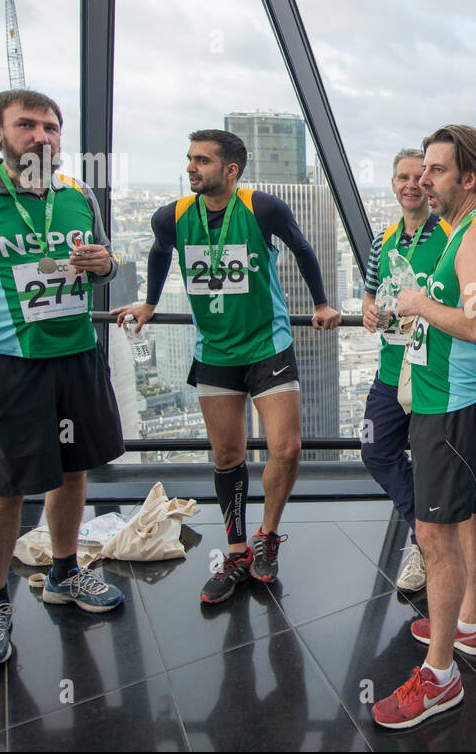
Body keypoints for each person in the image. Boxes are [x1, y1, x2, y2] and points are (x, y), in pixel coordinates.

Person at [0, 89, 127, 669]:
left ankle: (64, 570)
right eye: (27, 125)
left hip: (76, 354)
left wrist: (103, 265)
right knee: (3, 486)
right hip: (6, 363)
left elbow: (107, 265)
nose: (41, 137)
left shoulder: (77, 194)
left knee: (72, 469)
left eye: (51, 127)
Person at [112, 130, 340, 604]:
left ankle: (268, 536)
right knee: (227, 457)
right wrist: (150, 303)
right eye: (189, 159)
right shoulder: (171, 216)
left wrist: (320, 302)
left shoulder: (263, 208)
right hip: (214, 350)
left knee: (287, 447)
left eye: (202, 161)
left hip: (267, 343)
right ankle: (236, 550)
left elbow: (301, 248)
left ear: (231, 170)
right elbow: (158, 253)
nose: (191, 168)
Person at [371, 125, 476, 730]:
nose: (424, 180)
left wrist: (417, 304)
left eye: (436, 170)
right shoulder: (465, 232)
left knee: (435, 538)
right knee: (472, 518)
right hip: (456, 400)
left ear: (469, 179)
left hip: (453, 407)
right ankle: (470, 625)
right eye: (423, 170)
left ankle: (440, 676)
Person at [359, 147, 451, 593]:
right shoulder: (384, 239)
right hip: (392, 368)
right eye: (402, 177)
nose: (412, 184)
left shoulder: (450, 235)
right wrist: (369, 314)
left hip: (432, 372)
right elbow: (370, 295)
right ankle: (423, 534)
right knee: (375, 450)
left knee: (434, 464)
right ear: (393, 184)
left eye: (420, 176)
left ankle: (430, 549)